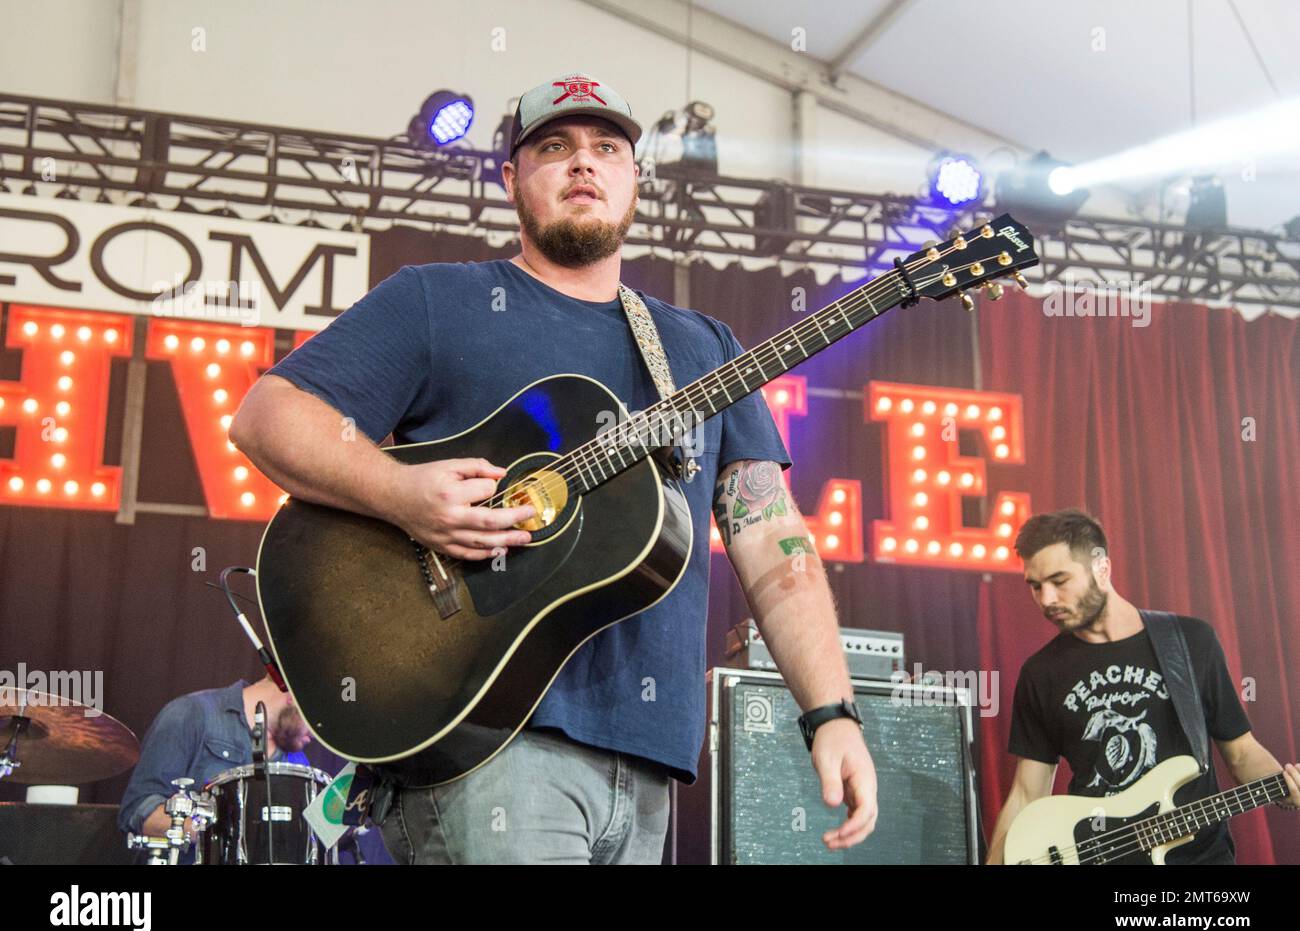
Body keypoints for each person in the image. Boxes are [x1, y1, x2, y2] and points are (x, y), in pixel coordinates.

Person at [230, 71, 877, 864]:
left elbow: (771, 535)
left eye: (608, 149)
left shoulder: (702, 350)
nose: (584, 164)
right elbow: (267, 417)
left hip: (651, 758)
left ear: (634, 179)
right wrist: (403, 494)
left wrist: (832, 712)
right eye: (555, 148)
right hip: (488, 744)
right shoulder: (438, 301)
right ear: (511, 179)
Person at [986, 508, 1300, 864]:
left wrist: (1284, 787)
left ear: (1101, 569)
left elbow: (1241, 752)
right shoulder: (1041, 673)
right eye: (1035, 586)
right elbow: (1027, 794)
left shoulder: (1190, 642)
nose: (1046, 599)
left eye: (1059, 581)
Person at [118, 674, 312, 860]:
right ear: (294, 693)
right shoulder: (191, 713)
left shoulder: (297, 761)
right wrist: (215, 832)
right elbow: (138, 810)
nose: (315, 733)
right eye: (318, 719)